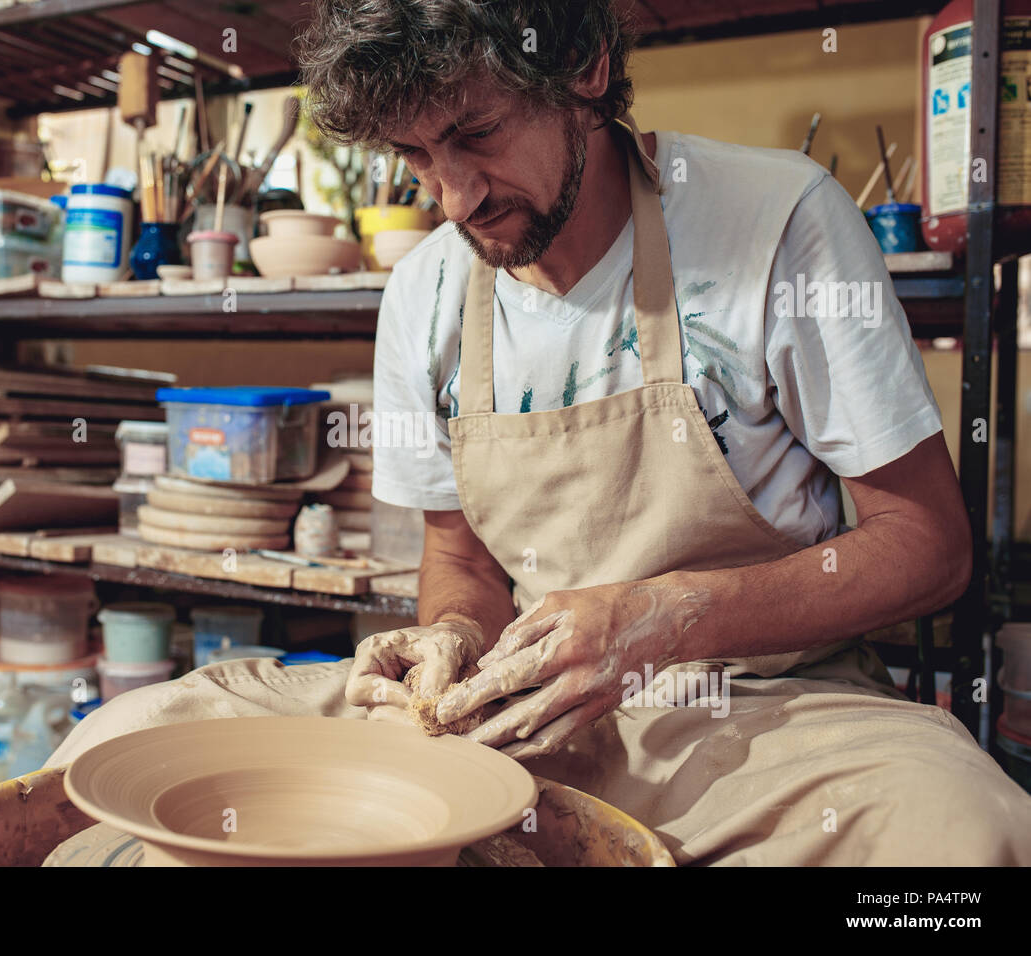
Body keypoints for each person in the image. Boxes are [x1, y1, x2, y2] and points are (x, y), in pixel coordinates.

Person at [50, 0, 1031, 865]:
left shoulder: (779, 223)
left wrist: (664, 618)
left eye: (474, 132)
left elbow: (929, 549)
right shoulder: (423, 292)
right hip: (521, 708)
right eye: (413, 156)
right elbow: (457, 555)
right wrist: (450, 634)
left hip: (758, 713)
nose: (455, 196)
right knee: (131, 734)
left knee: (966, 829)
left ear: (584, 71)